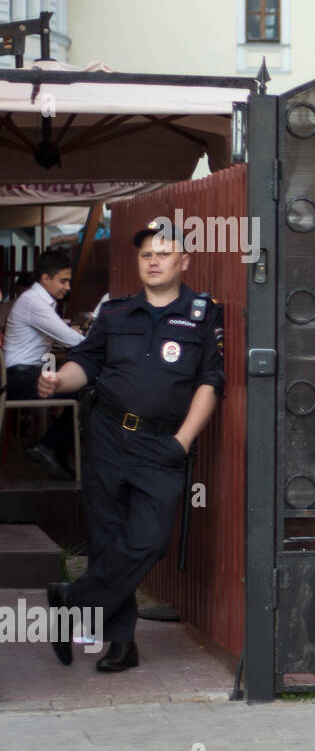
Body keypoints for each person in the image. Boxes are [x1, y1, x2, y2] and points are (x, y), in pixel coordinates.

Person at [41, 219, 225, 672]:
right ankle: (121, 645)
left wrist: (182, 442)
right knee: (108, 540)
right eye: (146, 254)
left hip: (162, 445)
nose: (154, 260)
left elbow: (211, 381)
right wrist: (59, 380)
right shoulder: (115, 313)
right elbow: (86, 362)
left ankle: (74, 602)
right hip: (107, 435)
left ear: (185, 259)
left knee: (149, 540)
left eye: (164, 252)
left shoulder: (204, 314)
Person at [3, 250, 86, 479]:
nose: (67, 287)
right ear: (45, 279)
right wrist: (96, 341)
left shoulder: (40, 301)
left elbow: (63, 332)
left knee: (82, 388)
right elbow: (70, 339)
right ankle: (50, 447)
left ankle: (52, 448)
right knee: (85, 392)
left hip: (24, 374)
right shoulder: (34, 302)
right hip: (20, 378)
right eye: (63, 280)